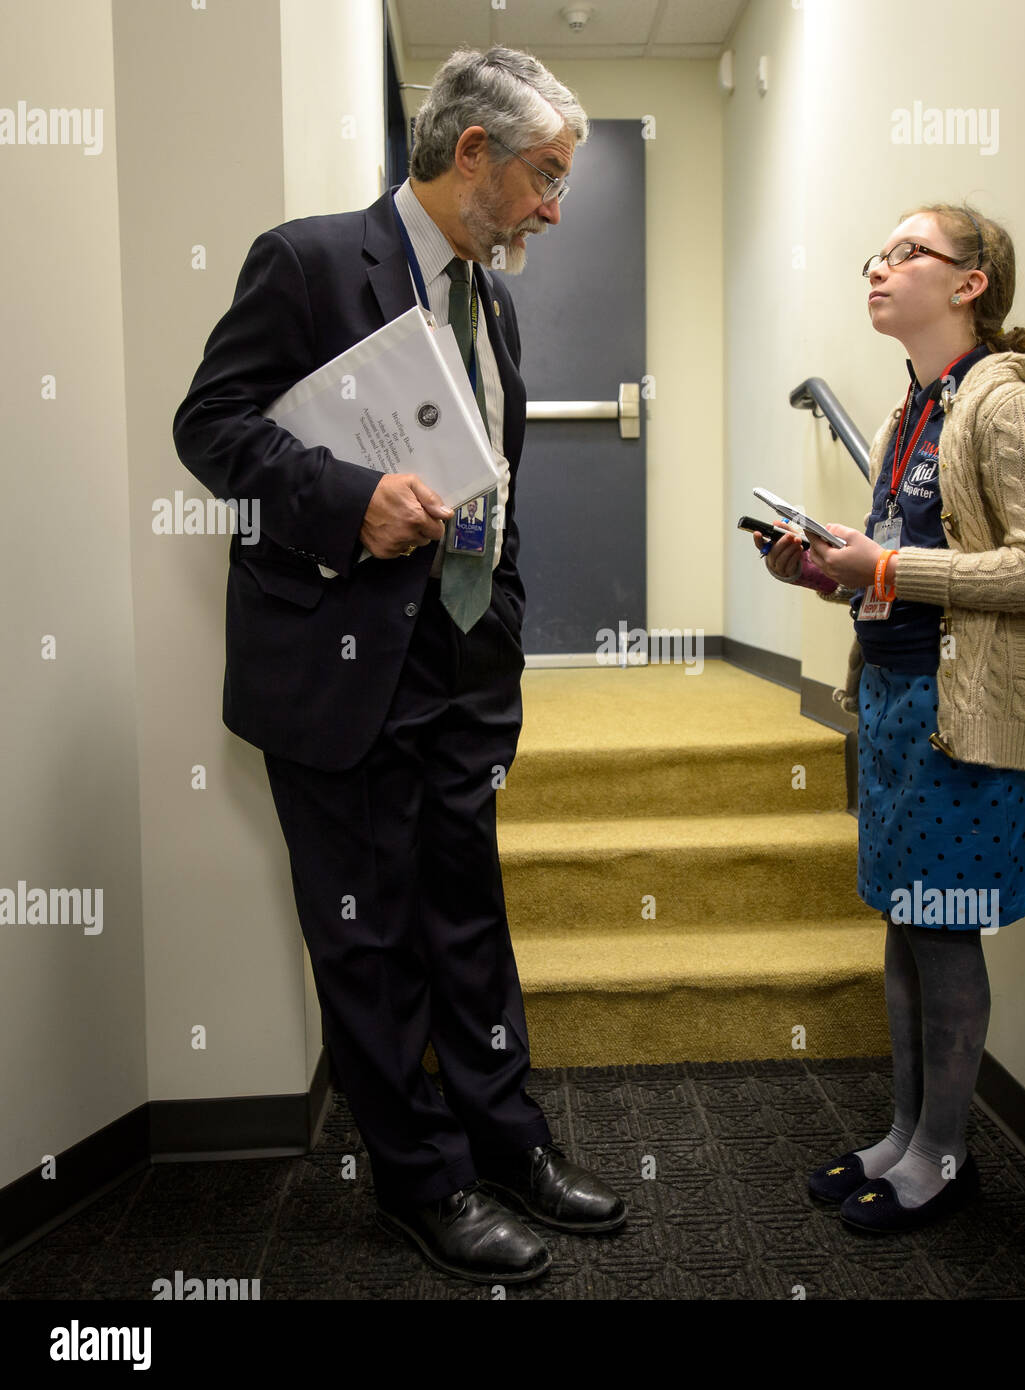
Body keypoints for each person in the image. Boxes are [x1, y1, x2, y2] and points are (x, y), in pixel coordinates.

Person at [173, 45, 625, 1286]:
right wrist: (349, 497)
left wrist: (502, 620)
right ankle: (422, 1181)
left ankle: (506, 1140)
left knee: (467, 919)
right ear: (472, 151)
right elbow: (209, 426)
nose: (553, 208)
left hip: (462, 661)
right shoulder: (311, 261)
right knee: (368, 939)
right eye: (545, 176)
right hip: (338, 668)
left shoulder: (495, 301)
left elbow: (496, 480)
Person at [755, 203, 1025, 1232]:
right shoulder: (910, 413)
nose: (880, 268)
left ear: (969, 283)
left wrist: (887, 566)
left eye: (907, 253)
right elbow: (905, 571)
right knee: (903, 928)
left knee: (941, 936)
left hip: (964, 715)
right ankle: (904, 1134)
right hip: (895, 699)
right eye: (878, 253)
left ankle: (944, 1156)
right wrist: (830, 573)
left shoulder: (1006, 404)